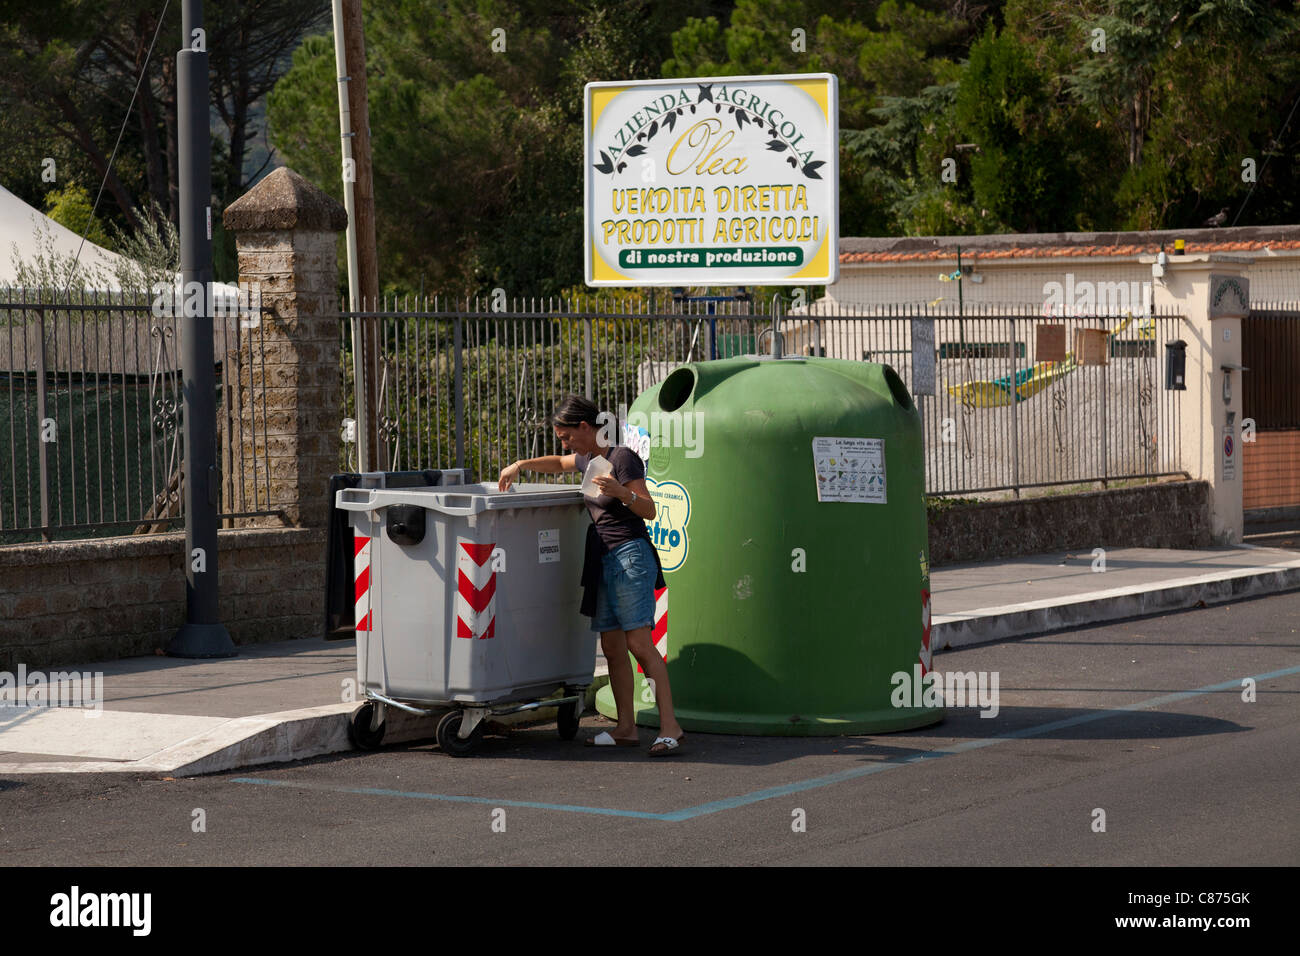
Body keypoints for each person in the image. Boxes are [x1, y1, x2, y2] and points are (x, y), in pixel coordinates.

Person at [497, 395, 686, 756]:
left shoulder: (622, 457)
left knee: (639, 646)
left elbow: (649, 510)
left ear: (586, 427)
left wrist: (619, 492)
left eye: (566, 436)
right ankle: (626, 728)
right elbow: (558, 463)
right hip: (603, 560)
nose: (564, 444)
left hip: (630, 557)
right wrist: (520, 464)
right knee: (613, 648)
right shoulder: (588, 458)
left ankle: (670, 727)